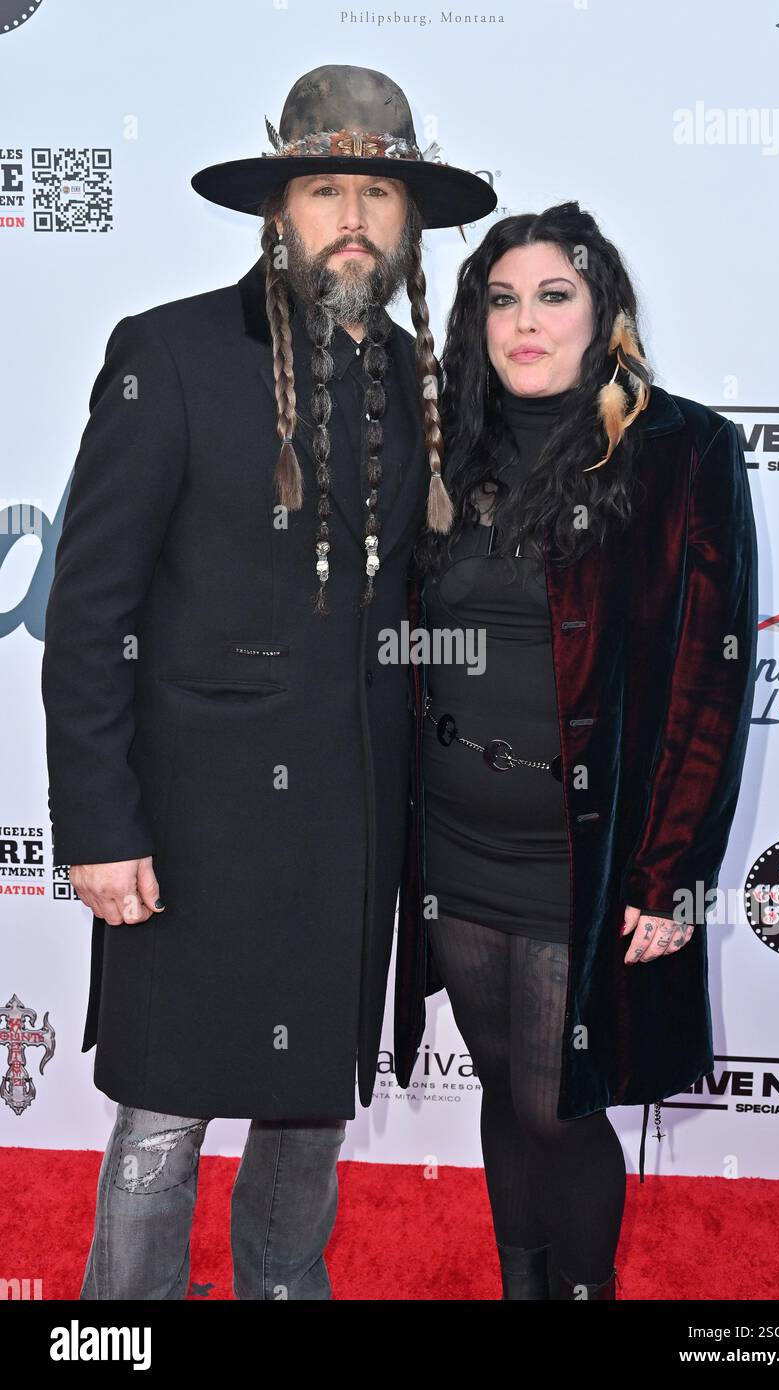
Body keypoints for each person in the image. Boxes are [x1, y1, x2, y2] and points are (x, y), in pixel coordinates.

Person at [40, 63, 495, 1300]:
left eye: (378, 194)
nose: (353, 214)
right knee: (161, 1120)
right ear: (279, 210)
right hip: (190, 829)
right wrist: (98, 824)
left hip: (347, 826)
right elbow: (88, 617)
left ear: (408, 225)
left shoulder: (429, 384)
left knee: (308, 1116)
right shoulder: (169, 353)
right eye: (325, 187)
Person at [394, 202, 758, 1299]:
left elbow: (709, 682)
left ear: (603, 314)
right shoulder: (443, 449)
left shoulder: (681, 450)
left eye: (554, 296)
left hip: (584, 859)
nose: (526, 322)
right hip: (455, 848)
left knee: (560, 1103)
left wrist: (673, 875)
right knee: (505, 1093)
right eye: (502, 298)